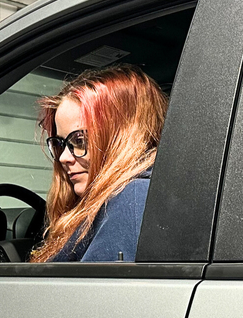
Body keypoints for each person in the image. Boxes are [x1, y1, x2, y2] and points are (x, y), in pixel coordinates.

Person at [31, 64, 168, 262]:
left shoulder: (133, 199)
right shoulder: (133, 196)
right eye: (60, 144)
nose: (63, 158)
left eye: (79, 141)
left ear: (121, 138)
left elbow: (93, 292)